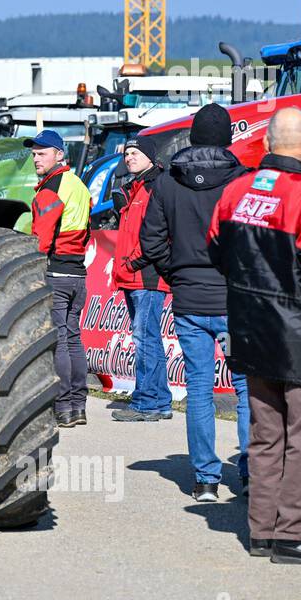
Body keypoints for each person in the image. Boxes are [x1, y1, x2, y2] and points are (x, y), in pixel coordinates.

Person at [208, 107, 301, 564]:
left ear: (269, 144)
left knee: (266, 433)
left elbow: (216, 250)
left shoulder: (236, 191)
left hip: (252, 333)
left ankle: (263, 531)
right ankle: (295, 533)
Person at [140, 103, 251, 501]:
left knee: (199, 387)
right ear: (229, 138)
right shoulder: (243, 180)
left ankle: (206, 478)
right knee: (245, 388)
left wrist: (178, 274)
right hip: (235, 303)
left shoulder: (168, 182)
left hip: (190, 302)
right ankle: (251, 475)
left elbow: (150, 239)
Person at [26, 129, 92, 428]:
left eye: (42, 153)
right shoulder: (78, 184)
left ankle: (63, 406)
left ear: (59, 155)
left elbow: (42, 238)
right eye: (34, 153)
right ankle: (78, 406)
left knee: (60, 341)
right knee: (74, 339)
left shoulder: (50, 189)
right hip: (78, 274)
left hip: (55, 272)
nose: (35, 158)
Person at [111, 136, 174, 423]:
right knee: (147, 339)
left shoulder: (154, 186)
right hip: (133, 273)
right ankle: (156, 399)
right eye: (126, 153)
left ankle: (149, 401)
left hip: (145, 274)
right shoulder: (135, 187)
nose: (129, 157)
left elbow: (156, 234)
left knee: (145, 339)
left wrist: (133, 261)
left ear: (150, 156)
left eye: (135, 153)